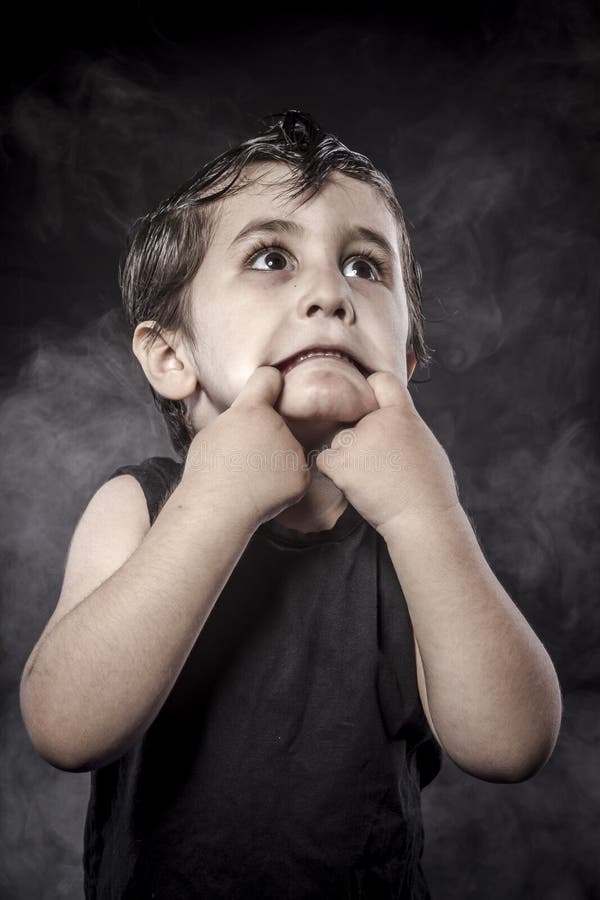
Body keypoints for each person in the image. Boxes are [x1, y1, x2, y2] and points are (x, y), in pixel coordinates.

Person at [19, 109, 563, 899]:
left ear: (406, 359)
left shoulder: (412, 539)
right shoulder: (139, 504)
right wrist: (215, 500)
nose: (331, 294)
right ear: (170, 355)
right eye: (272, 257)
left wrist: (428, 517)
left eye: (365, 267)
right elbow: (65, 728)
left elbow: (512, 747)